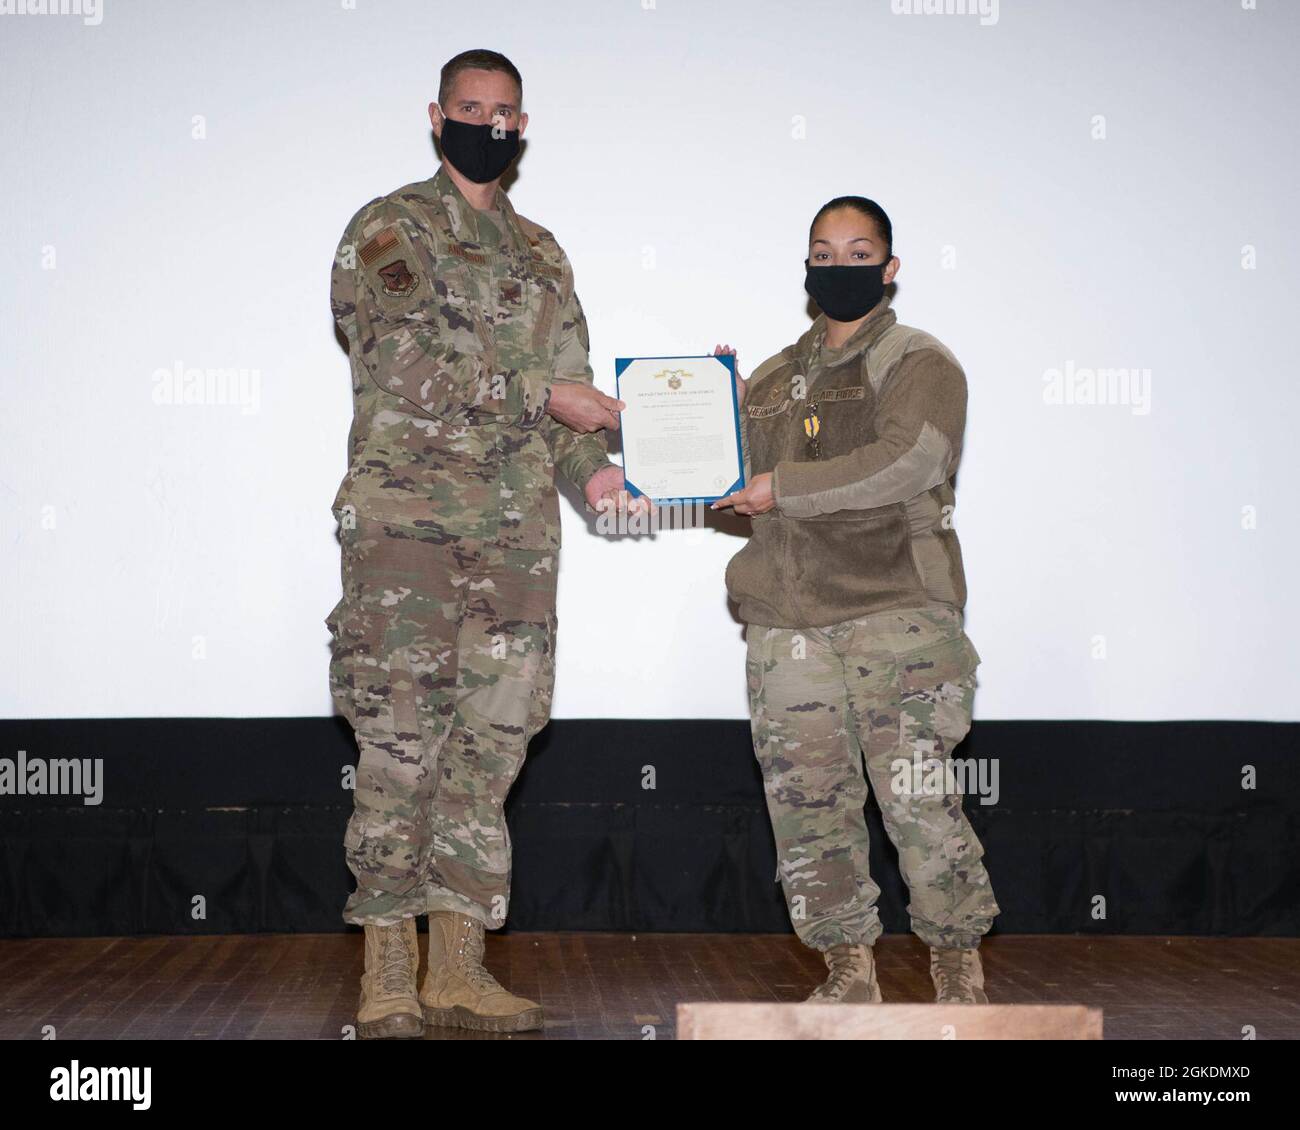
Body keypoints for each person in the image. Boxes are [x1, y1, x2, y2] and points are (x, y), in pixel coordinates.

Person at [326, 48, 638, 1037]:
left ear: (523, 126)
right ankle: (386, 966)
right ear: (435, 115)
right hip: (407, 539)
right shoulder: (390, 226)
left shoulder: (542, 255)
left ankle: (457, 964)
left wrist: (596, 474)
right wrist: (542, 394)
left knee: (489, 750)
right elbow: (405, 359)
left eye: (505, 113)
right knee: (399, 747)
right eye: (471, 108)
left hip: (515, 545)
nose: (488, 125)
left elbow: (572, 400)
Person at [712, 196, 1000, 1004]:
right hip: (785, 628)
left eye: (859, 251)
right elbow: (728, 499)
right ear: (806, 265)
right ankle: (848, 972)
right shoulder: (769, 379)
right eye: (824, 253)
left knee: (917, 802)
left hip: (895, 616)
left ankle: (956, 968)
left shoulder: (918, 361)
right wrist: (711, 424)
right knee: (807, 810)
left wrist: (781, 485)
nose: (840, 268)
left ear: (891, 267)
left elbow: (908, 459)